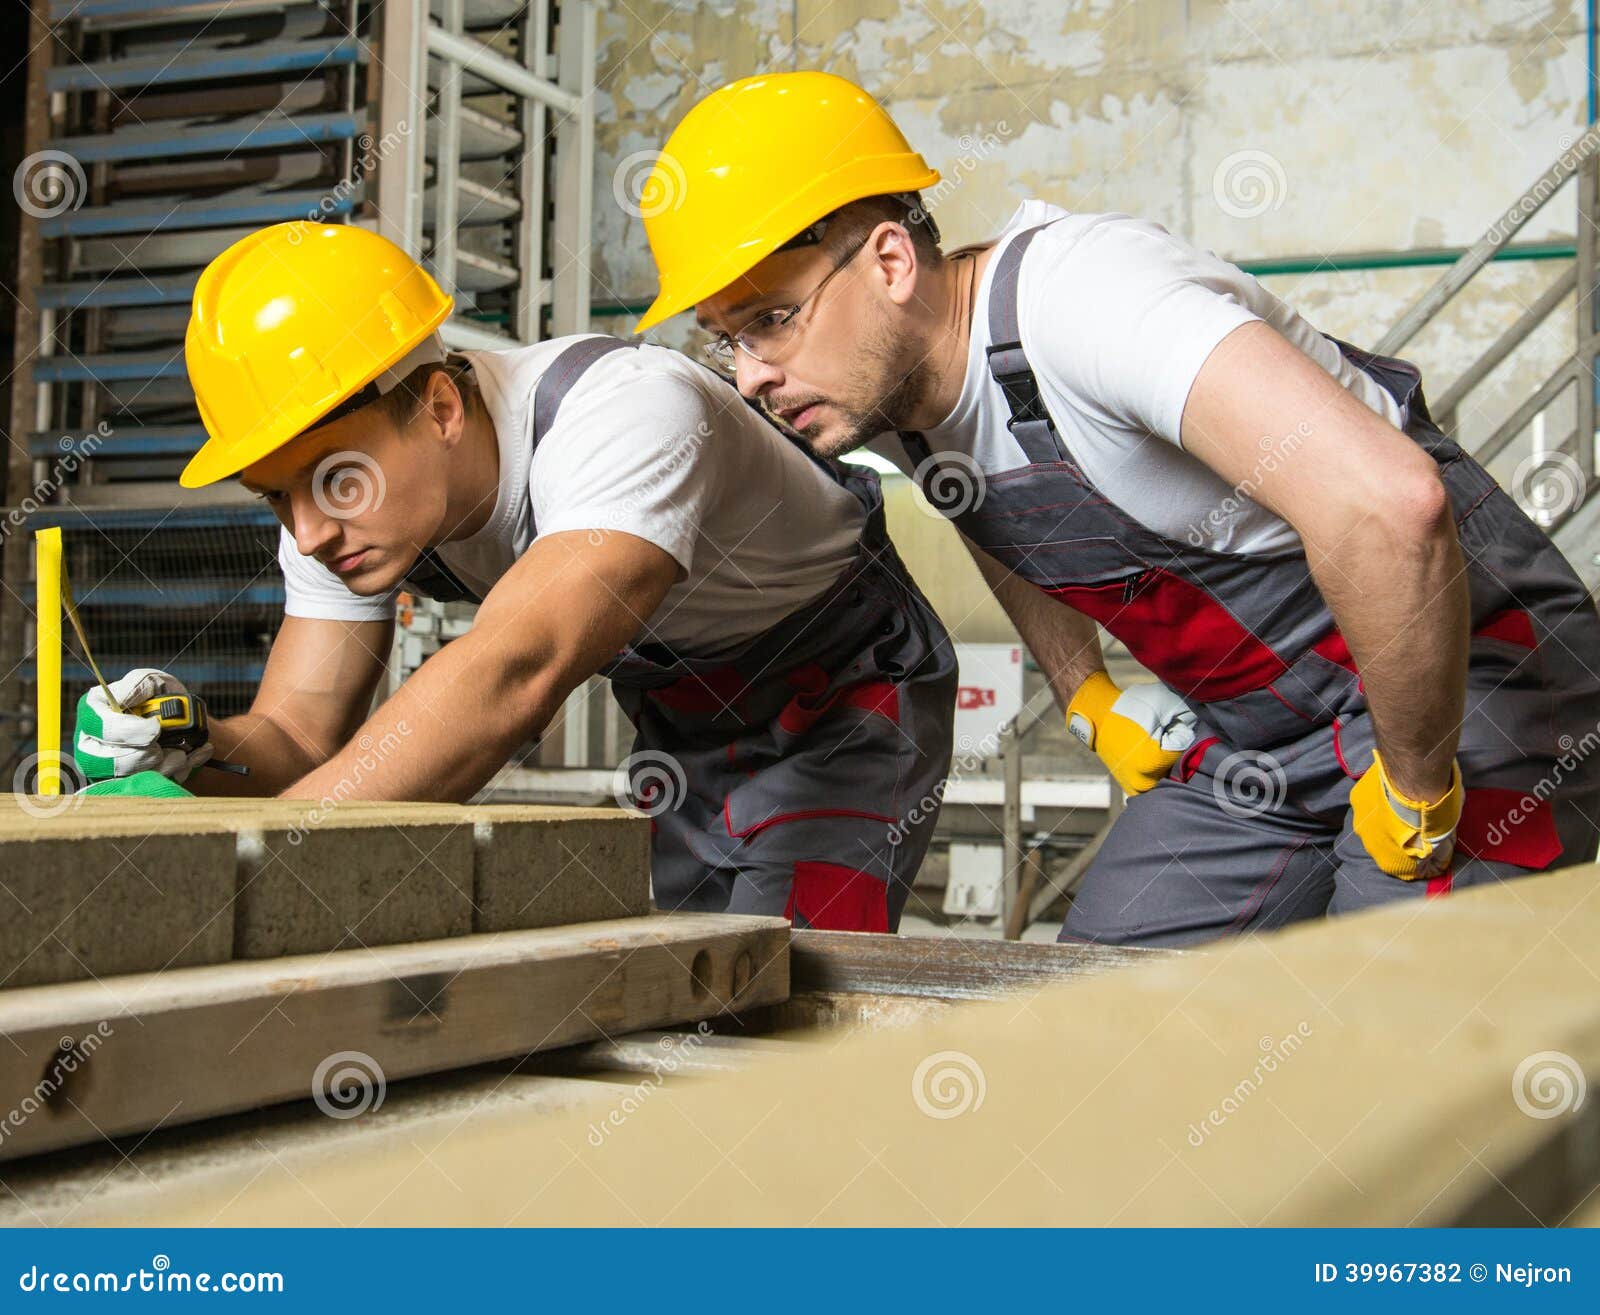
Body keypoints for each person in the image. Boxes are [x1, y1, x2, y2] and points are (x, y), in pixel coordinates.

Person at [633, 70, 1600, 946]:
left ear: (889, 261)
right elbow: (1001, 519)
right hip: (1264, 742)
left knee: (1388, 1046)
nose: (752, 376)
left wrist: (1422, 788)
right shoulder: (892, 394)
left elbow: (1393, 508)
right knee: (1100, 1022)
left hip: (1466, 690)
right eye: (726, 340)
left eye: (769, 320)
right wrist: (1085, 696)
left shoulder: (1087, 301)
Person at [74, 221, 956, 933]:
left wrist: (244, 862)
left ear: (441, 407)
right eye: (275, 497)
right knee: (695, 975)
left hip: (843, 691)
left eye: (334, 481)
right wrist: (197, 750)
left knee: (791, 984)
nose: (305, 533)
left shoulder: (625, 411)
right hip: (688, 720)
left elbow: (514, 668)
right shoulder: (342, 517)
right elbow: (298, 737)